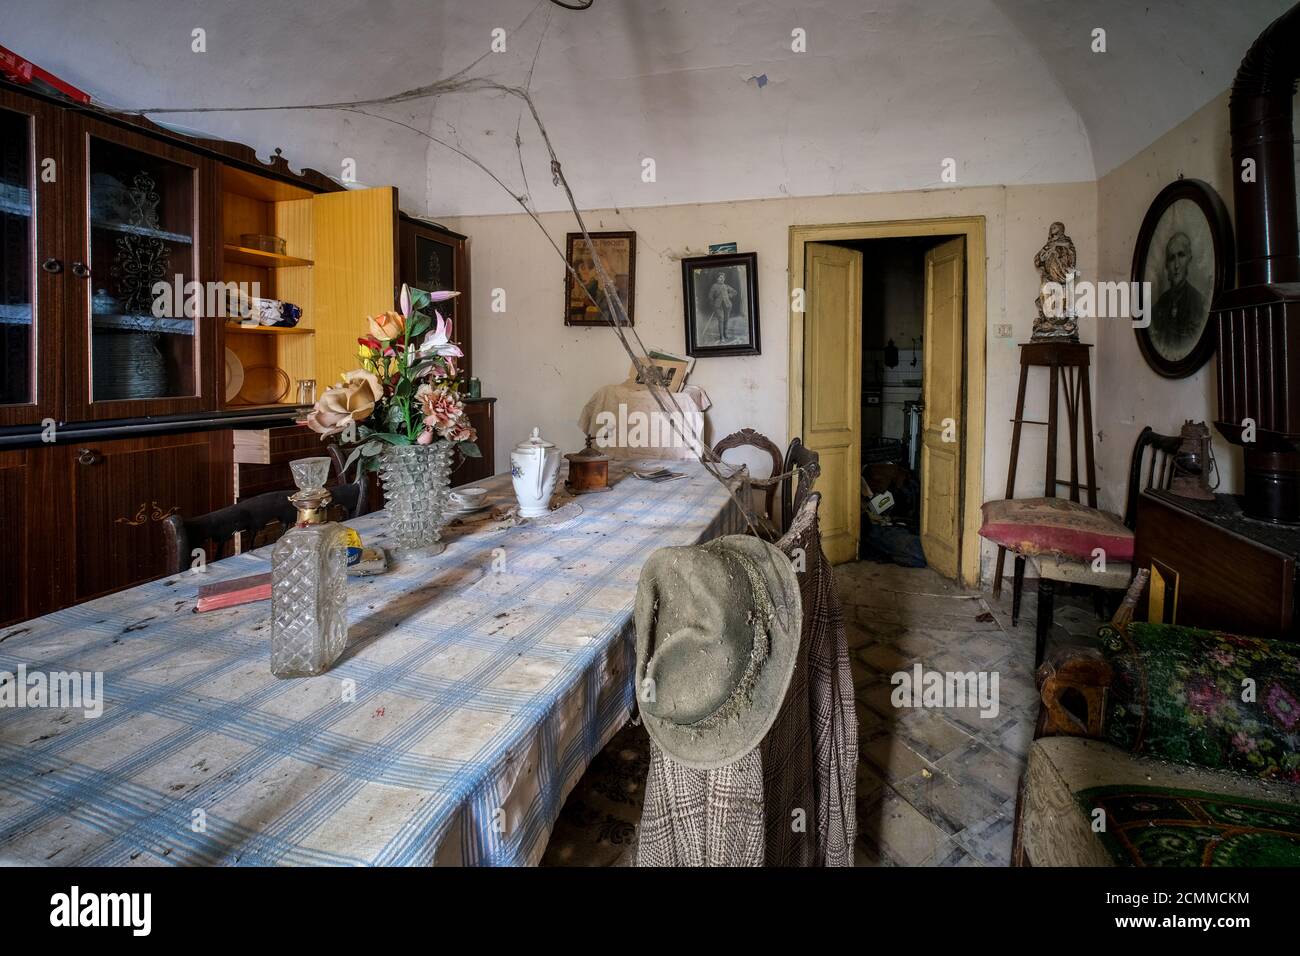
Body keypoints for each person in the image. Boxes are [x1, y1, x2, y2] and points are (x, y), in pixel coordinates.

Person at [1152, 232, 1205, 355]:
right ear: (1166, 266)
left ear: (1188, 259)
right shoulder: (1160, 305)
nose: (1176, 265)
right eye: (1171, 258)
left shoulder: (1197, 302)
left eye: (1181, 255)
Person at [707, 271, 736, 342]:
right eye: (720, 277)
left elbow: (734, 292)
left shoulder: (726, 286)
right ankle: (721, 336)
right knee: (721, 319)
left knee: (726, 320)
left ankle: (725, 334)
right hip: (718, 306)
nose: (722, 279)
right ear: (717, 278)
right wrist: (713, 304)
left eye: (723, 278)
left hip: (727, 305)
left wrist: (729, 296)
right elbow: (710, 297)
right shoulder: (714, 286)